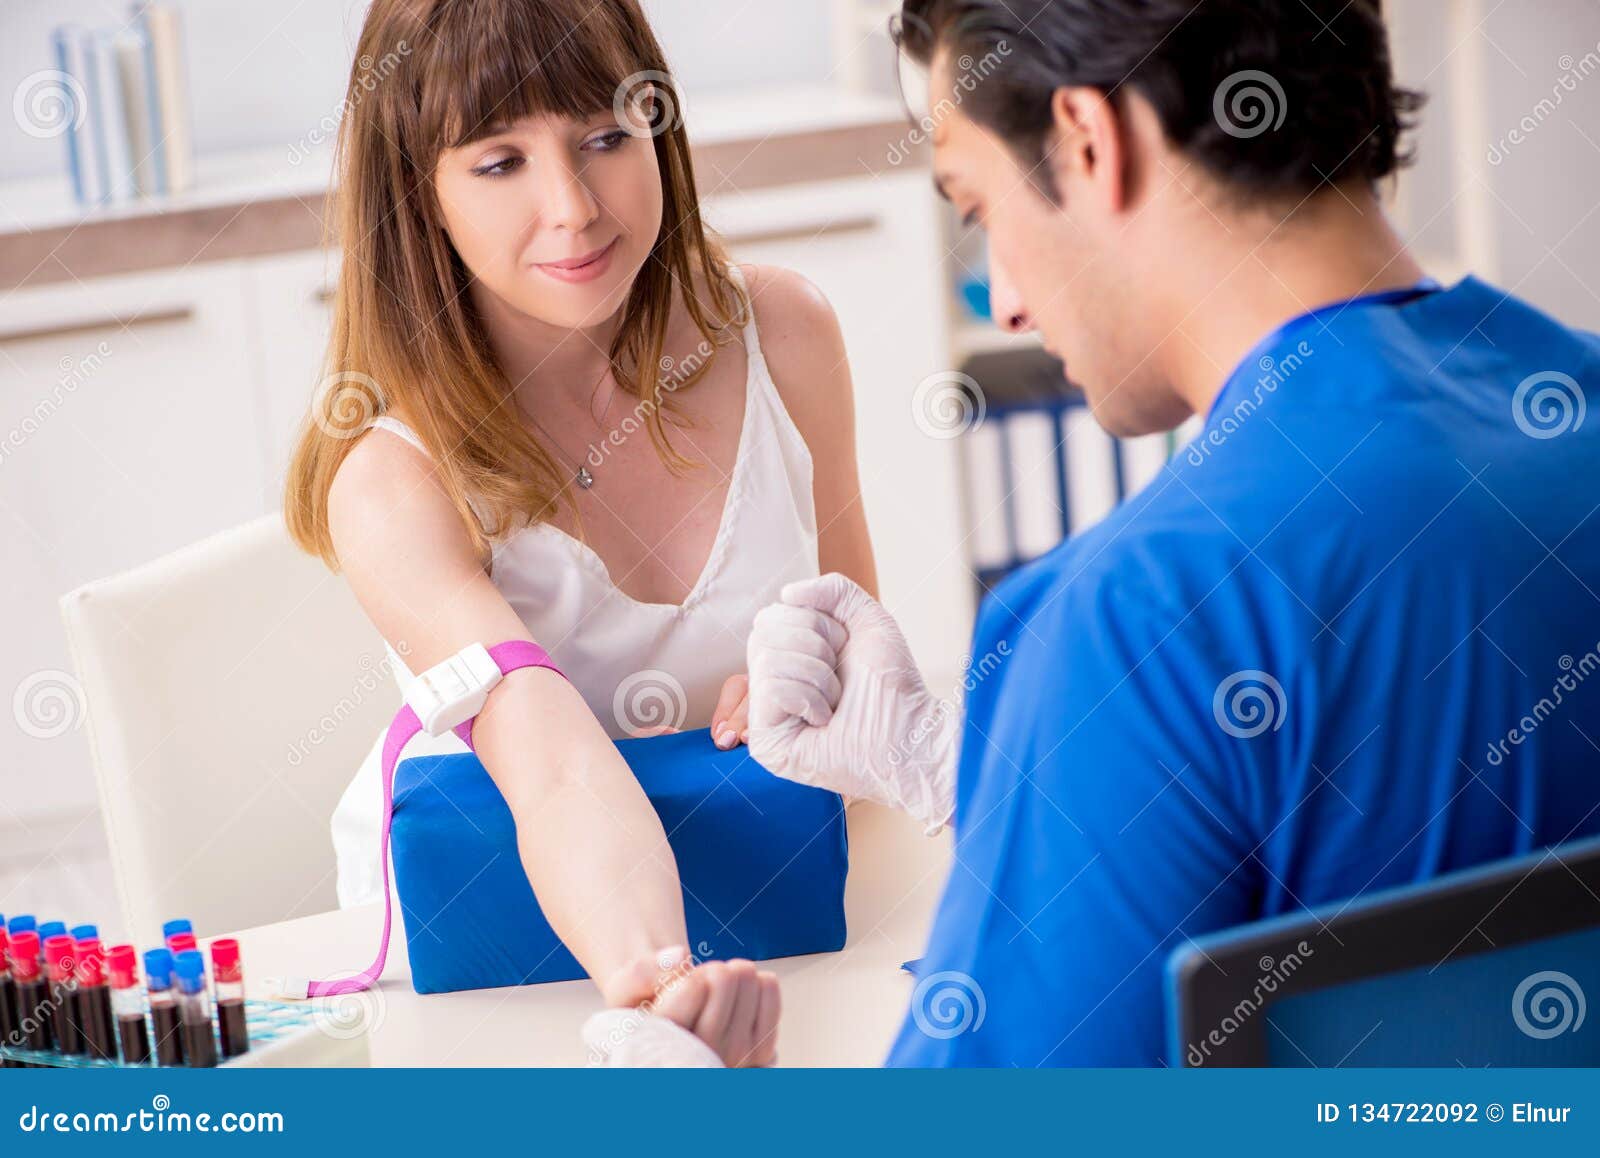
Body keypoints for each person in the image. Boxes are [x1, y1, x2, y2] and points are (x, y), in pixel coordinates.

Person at [742, 0, 1600, 1066]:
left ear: (1091, 144)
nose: (1005, 299)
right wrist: (981, 777)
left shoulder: (1135, 623)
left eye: (979, 206)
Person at [282, 0, 876, 1066]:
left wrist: (826, 688)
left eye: (605, 137)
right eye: (499, 162)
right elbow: (551, 764)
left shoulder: (783, 333)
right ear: (419, 195)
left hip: (778, 914)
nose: (573, 208)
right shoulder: (388, 482)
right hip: (500, 979)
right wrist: (653, 984)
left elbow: (862, 651)